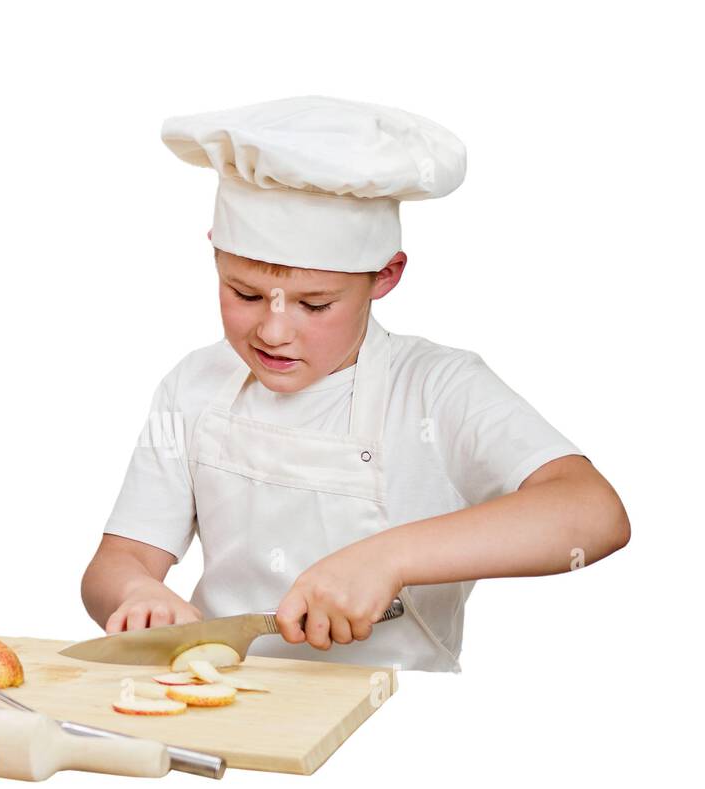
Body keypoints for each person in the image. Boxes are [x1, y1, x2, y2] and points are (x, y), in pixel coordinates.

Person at [81, 96, 630, 671]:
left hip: (392, 719)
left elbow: (594, 513)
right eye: (243, 294)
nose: (273, 330)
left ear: (384, 277)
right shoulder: (193, 385)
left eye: (315, 304)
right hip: (225, 696)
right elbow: (119, 560)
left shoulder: (436, 389)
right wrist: (135, 594)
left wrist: (388, 558)